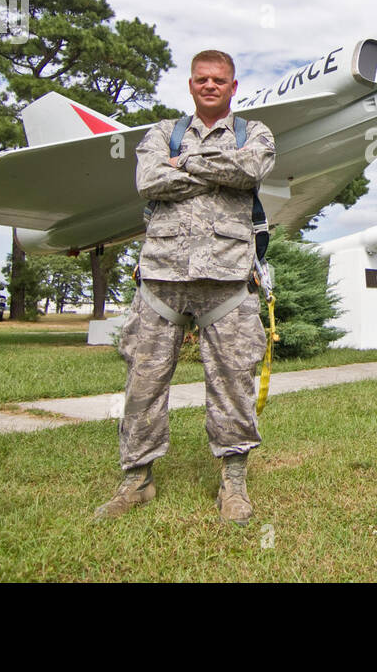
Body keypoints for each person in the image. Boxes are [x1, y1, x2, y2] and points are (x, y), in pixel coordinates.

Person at [95, 49, 276, 525]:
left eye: (220, 80)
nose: (210, 85)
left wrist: (185, 165)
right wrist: (212, 167)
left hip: (228, 281)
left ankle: (233, 482)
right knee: (144, 382)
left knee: (234, 382)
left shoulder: (254, 134)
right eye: (202, 79)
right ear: (191, 84)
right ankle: (137, 480)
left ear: (234, 87)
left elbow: (249, 172)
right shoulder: (162, 133)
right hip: (162, 279)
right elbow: (148, 180)